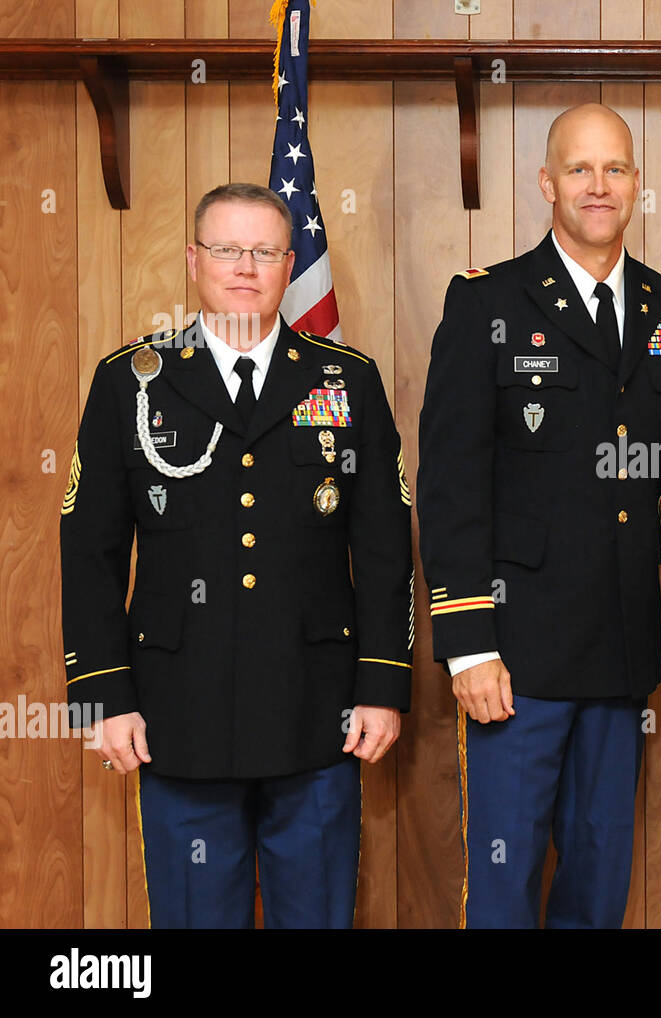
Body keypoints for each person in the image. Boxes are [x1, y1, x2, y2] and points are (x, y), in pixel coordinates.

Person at [60, 183, 413, 928]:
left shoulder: (346, 381)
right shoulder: (130, 380)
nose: (244, 267)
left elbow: (383, 547)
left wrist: (383, 685)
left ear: (291, 264)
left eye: (263, 252)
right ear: (194, 260)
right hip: (175, 712)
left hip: (318, 709)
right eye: (226, 249)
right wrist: (103, 697)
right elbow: (90, 554)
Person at [417, 103, 661, 928]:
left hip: (619, 654)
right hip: (516, 658)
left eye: (615, 169)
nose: (598, 185)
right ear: (547, 183)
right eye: (579, 169)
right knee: (506, 889)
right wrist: (470, 643)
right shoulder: (488, 301)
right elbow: (449, 481)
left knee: (597, 883)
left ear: (636, 187)